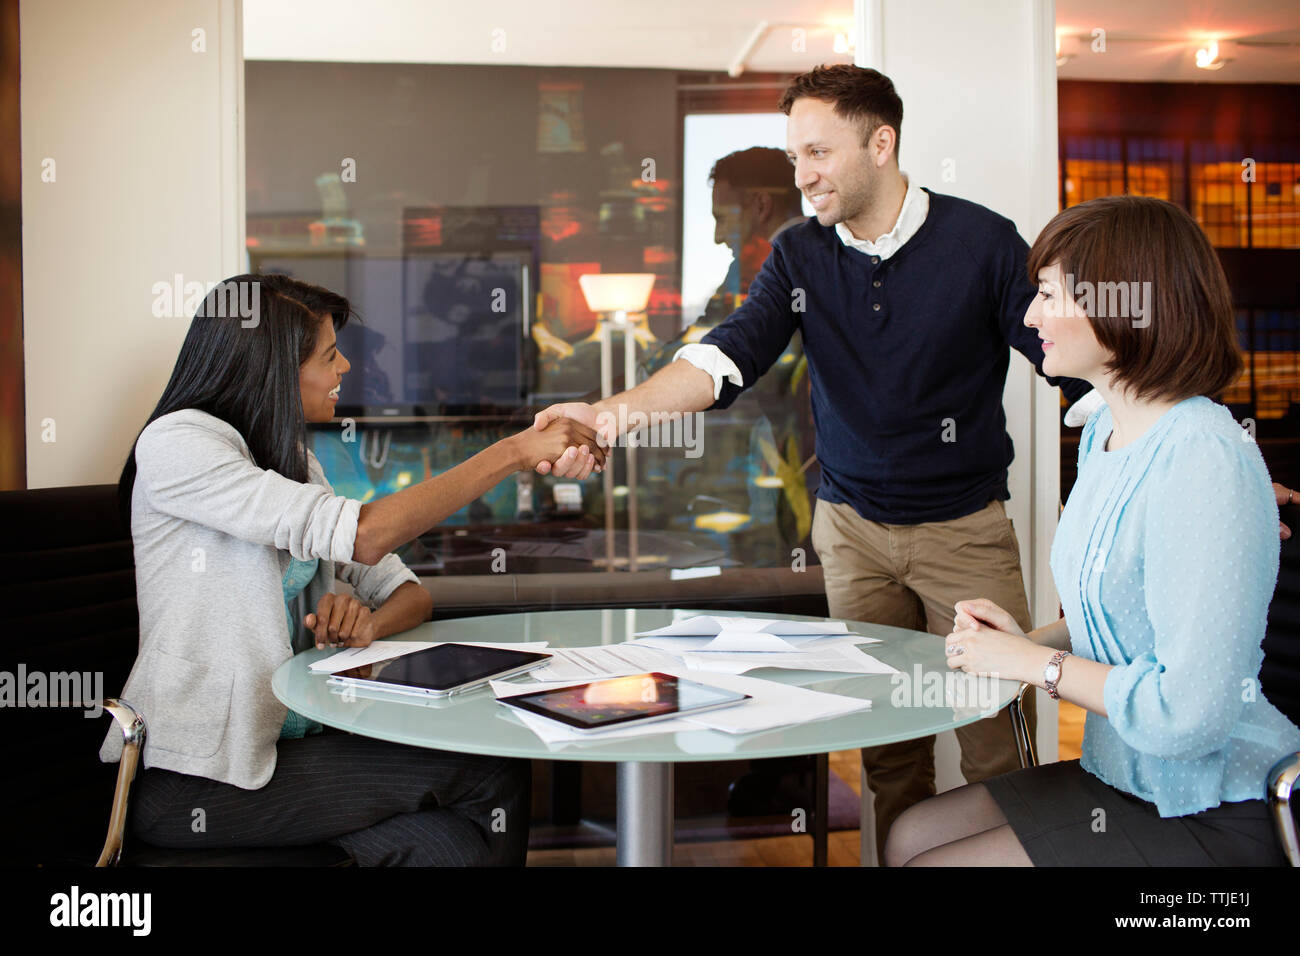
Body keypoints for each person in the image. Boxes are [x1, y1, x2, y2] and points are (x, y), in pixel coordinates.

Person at [534, 64, 1092, 849]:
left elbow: (1073, 366)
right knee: (888, 749)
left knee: (996, 745)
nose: (803, 176)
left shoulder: (983, 243)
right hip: (851, 532)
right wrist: (613, 413)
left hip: (964, 532)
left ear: (882, 143)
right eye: (796, 157)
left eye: (819, 154)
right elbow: (728, 356)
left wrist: (1186, 445)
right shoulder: (799, 254)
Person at [100, 273, 604, 866]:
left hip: (288, 750)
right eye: (328, 355)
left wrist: (368, 623)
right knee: (488, 769)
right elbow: (364, 536)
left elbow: (408, 594)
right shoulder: (178, 443)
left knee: (451, 849)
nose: (344, 368)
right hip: (198, 777)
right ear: (273, 367)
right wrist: (513, 452)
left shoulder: (296, 465)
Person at [884, 195, 1300, 866]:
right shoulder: (1105, 428)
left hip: (1213, 804)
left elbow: (1191, 715)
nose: (1028, 316)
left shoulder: (1203, 458)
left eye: (1047, 293)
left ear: (1124, 303)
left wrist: (1031, 666)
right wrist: (1022, 644)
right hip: (1125, 775)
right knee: (908, 833)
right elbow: (1125, 609)